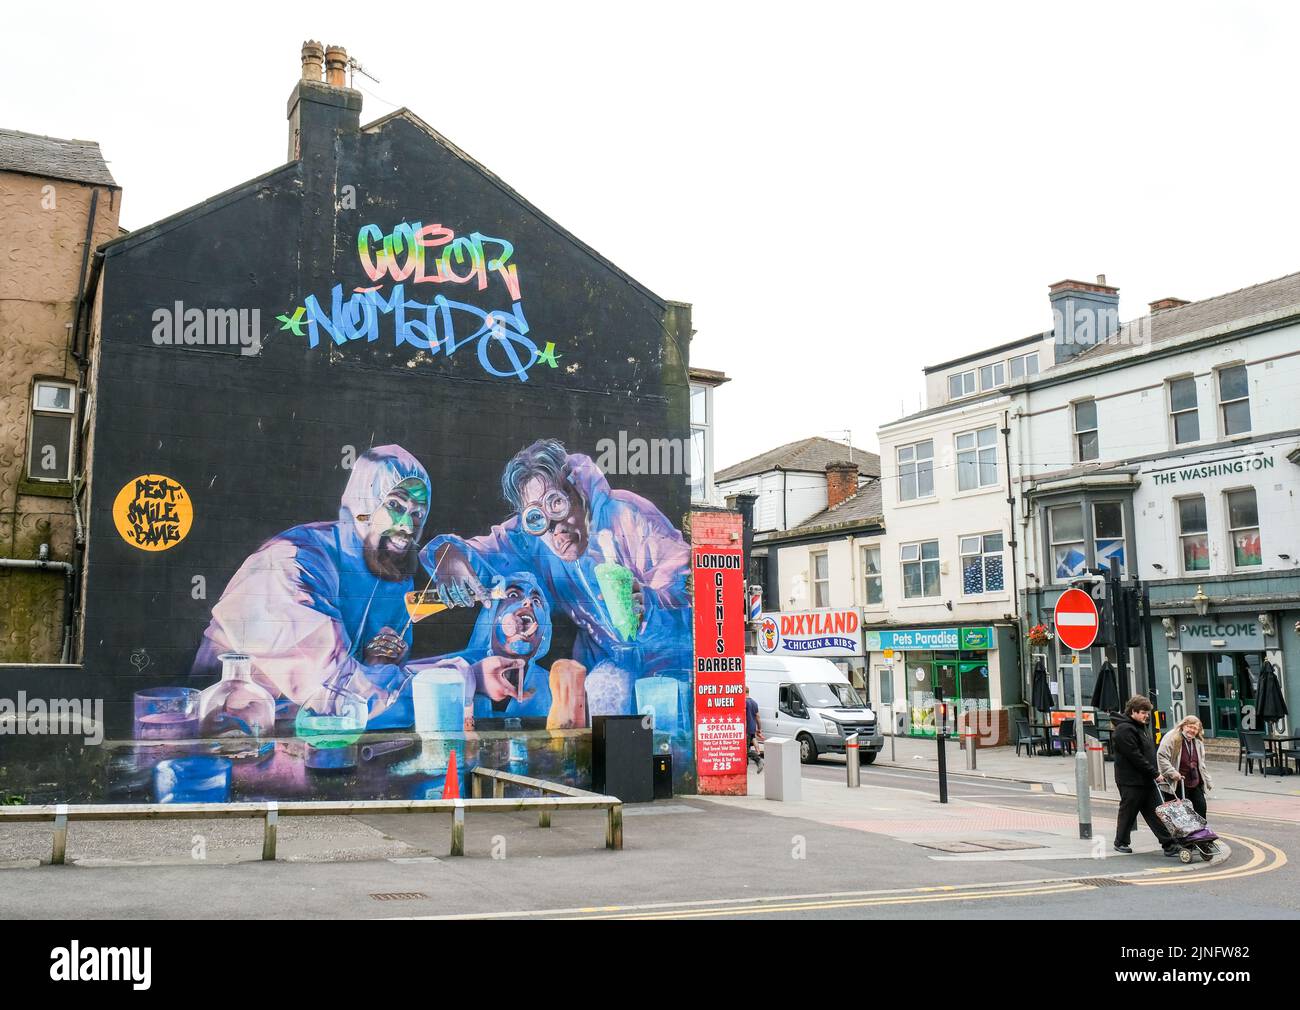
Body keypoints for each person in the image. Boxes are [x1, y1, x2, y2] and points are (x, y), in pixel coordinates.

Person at [420, 439, 692, 719]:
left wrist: (652, 606)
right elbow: (482, 551)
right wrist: (448, 555)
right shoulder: (533, 541)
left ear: (578, 492)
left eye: (558, 503)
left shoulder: (626, 515)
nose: (557, 531)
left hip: (668, 669)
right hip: (608, 674)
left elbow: (687, 585)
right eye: (538, 520)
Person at [191, 445, 438, 721]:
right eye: (395, 505)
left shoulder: (391, 572)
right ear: (364, 504)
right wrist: (465, 675)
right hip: (231, 731)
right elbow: (339, 696)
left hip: (317, 735)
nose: (407, 525)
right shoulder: (291, 562)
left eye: (417, 513)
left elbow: (381, 674)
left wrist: (379, 665)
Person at [1111, 694, 1178, 856]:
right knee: (1128, 812)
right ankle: (1120, 842)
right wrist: (1155, 773)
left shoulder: (1139, 727)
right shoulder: (1124, 729)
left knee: (1157, 812)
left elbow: (1145, 753)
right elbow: (1135, 756)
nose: (1146, 715)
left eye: (1147, 712)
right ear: (1132, 711)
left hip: (1145, 779)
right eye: (1143, 712)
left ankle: (1169, 845)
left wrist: (1153, 773)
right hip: (1131, 781)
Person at [1157, 715, 1213, 819]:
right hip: (1177, 783)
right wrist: (1172, 773)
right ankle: (1181, 835)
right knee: (1180, 816)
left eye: (1195, 728)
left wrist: (1207, 780)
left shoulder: (1198, 741)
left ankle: (1199, 834)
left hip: (1194, 782)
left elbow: (1201, 764)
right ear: (1183, 726)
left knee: (1200, 808)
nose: (1192, 730)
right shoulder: (1172, 737)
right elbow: (1162, 756)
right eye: (1190, 726)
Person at [745, 686, 764, 773]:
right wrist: (759, 729)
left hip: (746, 730)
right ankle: (745, 768)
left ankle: (758, 760)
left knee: (744, 750)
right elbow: (758, 717)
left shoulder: (744, 702)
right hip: (752, 729)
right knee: (745, 750)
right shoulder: (754, 702)